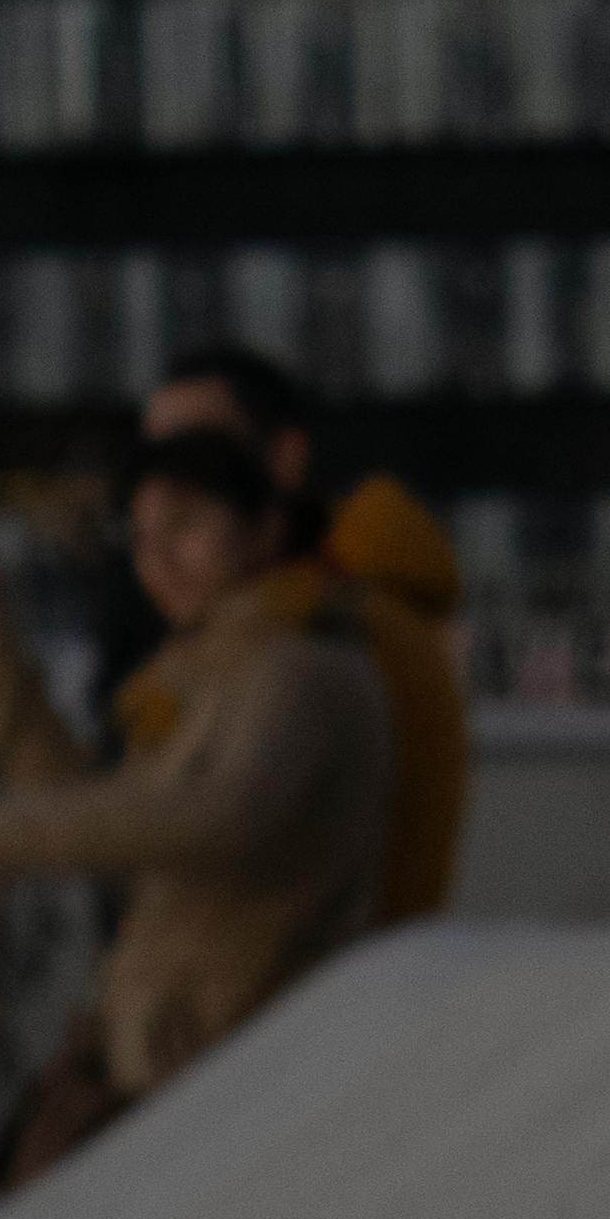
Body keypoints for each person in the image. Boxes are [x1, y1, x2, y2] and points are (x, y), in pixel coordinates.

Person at [0, 424, 394, 1189]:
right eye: (140, 539)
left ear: (266, 528)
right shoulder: (212, 670)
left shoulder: (299, 671)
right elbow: (110, 812)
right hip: (163, 1059)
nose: (158, 561)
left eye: (186, 528)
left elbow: (214, 817)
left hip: (213, 1074)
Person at [61, 342, 470, 935]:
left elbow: (210, 828)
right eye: (154, 458)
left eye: (197, 453)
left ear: (284, 460)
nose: (163, 481)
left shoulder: (327, 630)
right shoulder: (236, 622)